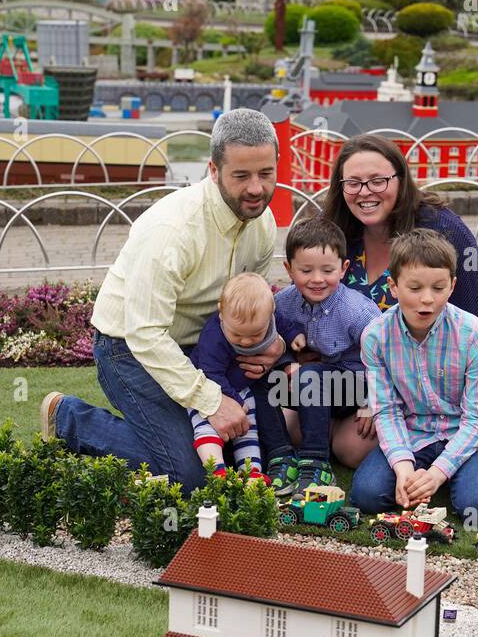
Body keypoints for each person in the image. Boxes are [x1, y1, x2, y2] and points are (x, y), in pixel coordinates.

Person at [38, 109, 283, 491]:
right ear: (214, 170)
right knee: (191, 474)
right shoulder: (173, 230)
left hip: (201, 350)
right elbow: (145, 334)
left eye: (265, 174)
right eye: (241, 176)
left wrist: (273, 343)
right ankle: (69, 417)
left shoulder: (263, 225)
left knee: (244, 451)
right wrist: (211, 400)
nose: (256, 188)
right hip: (128, 350)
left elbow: (244, 306)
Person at [318, 134, 478, 472]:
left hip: (411, 391)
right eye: (353, 183)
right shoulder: (334, 233)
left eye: (378, 181)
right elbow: (302, 301)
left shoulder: (442, 232)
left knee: (351, 447)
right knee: (289, 413)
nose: (365, 192)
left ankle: (474, 450)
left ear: (401, 179)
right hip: (346, 376)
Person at [350, 228, 478, 526]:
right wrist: (403, 469)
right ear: (394, 286)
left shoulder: (473, 334)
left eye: (438, 288)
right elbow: (386, 410)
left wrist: (438, 473)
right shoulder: (375, 336)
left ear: (452, 286)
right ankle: (445, 476)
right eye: (415, 288)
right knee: (367, 495)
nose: (427, 300)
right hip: (414, 432)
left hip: (469, 431)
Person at [254, 217, 380, 497]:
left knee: (311, 376)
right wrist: (286, 364)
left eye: (327, 270)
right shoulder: (281, 303)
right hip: (306, 388)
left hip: (353, 388)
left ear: (344, 268)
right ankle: (280, 456)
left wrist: (373, 401)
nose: (317, 279)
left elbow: (385, 356)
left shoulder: (357, 311)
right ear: (289, 269)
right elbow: (273, 341)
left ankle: (315, 462)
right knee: (261, 376)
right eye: (306, 270)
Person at [187, 272, 295, 482]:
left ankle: (251, 471)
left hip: (242, 389)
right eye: (237, 335)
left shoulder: (270, 316)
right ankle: (216, 468)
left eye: (255, 335)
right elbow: (211, 373)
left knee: (248, 428)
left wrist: (293, 336)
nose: (245, 342)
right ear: (221, 314)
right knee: (205, 428)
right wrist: (234, 402)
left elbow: (282, 325)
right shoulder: (213, 336)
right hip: (206, 389)